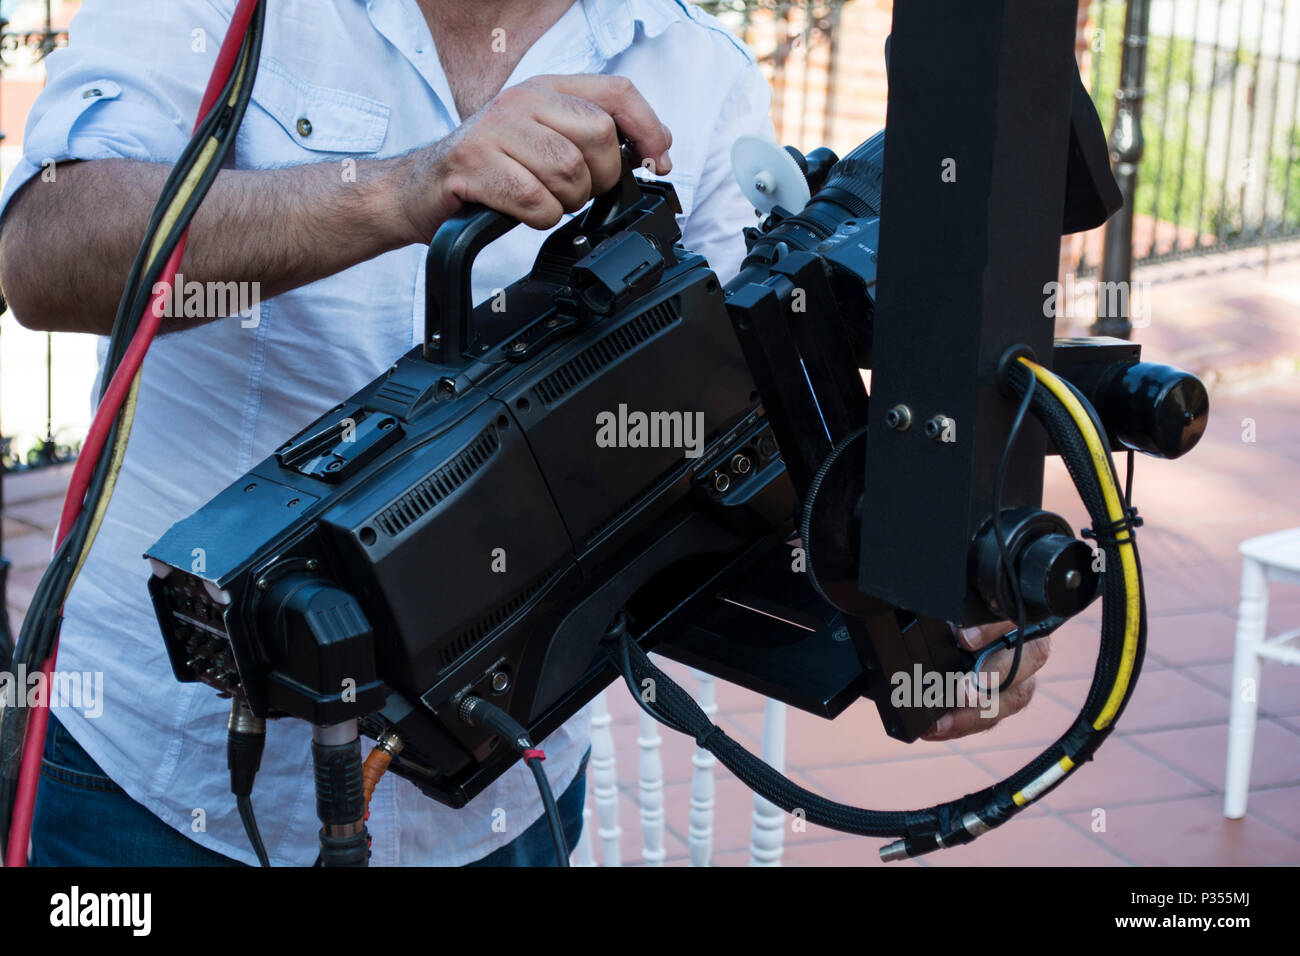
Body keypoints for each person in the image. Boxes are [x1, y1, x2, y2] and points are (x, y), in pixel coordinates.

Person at [0, 0, 1047, 866]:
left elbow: (727, 448)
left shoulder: (694, 68)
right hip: (152, 786)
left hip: (500, 805)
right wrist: (405, 188)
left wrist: (915, 598)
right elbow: (45, 255)